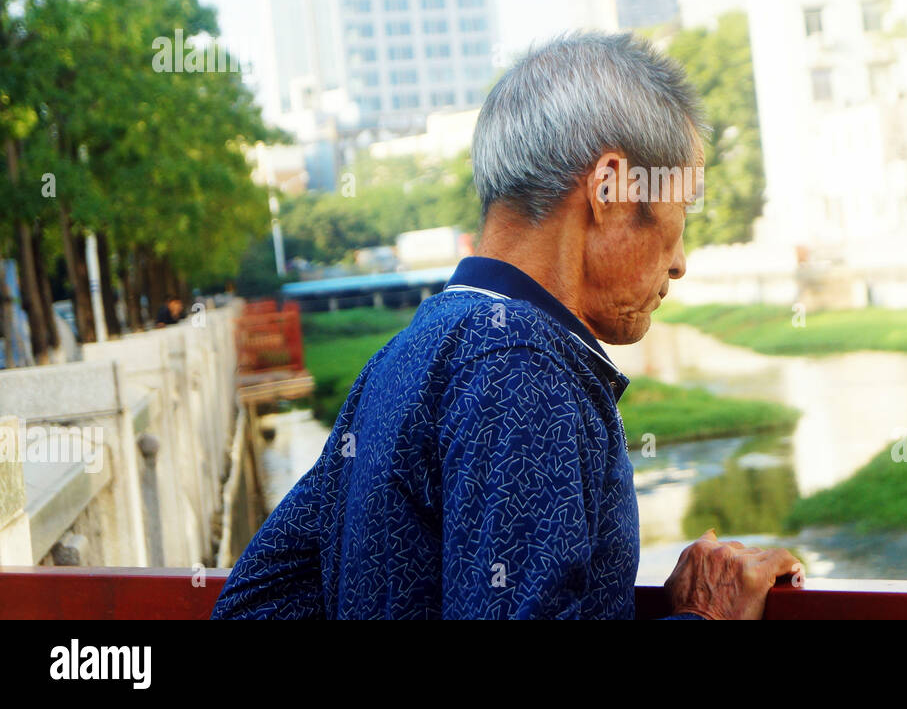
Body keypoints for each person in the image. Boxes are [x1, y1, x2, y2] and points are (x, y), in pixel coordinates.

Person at [211, 32, 802, 619]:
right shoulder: (524, 371)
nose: (680, 261)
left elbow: (248, 608)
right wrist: (706, 618)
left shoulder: (405, 353)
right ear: (611, 189)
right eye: (682, 208)